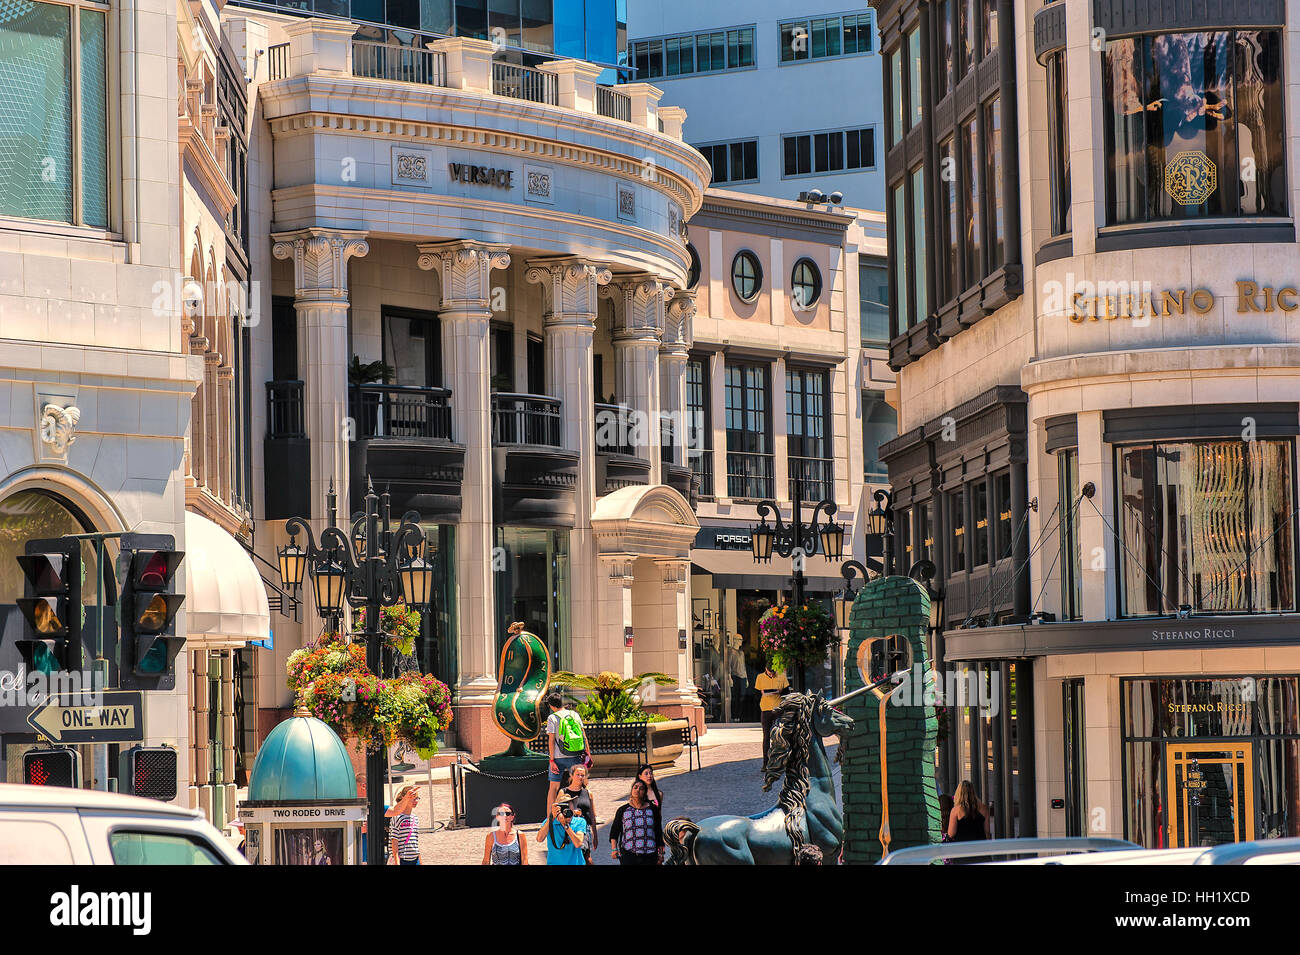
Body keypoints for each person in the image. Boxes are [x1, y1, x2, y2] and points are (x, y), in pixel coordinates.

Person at [544, 690, 589, 811]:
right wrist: (588, 753)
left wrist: (551, 760)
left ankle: (550, 817)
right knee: (578, 784)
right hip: (575, 755)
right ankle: (583, 813)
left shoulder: (552, 718)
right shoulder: (575, 715)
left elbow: (551, 741)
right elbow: (584, 736)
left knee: (553, 788)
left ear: (552, 706)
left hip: (558, 758)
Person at [609, 778, 663, 865]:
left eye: (641, 788)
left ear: (645, 793)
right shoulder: (623, 810)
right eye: (635, 787)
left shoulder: (652, 809)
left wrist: (660, 853)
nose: (638, 790)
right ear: (631, 791)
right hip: (629, 854)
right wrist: (614, 849)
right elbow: (614, 831)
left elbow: (658, 832)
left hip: (650, 855)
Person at [537, 791, 587, 865]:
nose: (568, 810)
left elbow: (578, 843)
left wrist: (565, 825)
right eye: (565, 807)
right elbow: (539, 839)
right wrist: (551, 818)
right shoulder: (550, 822)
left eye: (570, 805)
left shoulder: (579, 821)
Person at [948, 779, 992, 863]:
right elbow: (987, 833)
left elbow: (951, 834)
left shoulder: (955, 810)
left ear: (959, 793)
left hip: (962, 852)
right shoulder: (984, 808)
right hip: (980, 851)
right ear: (973, 792)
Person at [754, 660, 790, 763]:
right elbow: (755, 695)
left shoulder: (782, 676)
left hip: (778, 710)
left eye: (773, 673)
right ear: (766, 669)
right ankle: (766, 762)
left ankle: (779, 760)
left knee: (779, 736)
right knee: (766, 736)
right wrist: (761, 693)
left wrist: (780, 692)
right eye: (770, 673)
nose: (771, 675)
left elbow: (787, 694)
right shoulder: (760, 677)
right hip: (765, 710)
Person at [561, 764, 597, 863]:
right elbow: (557, 810)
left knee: (586, 857)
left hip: (585, 828)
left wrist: (595, 836)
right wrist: (572, 813)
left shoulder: (588, 793)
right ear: (571, 775)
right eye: (578, 774)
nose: (580, 777)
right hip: (569, 827)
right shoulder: (563, 792)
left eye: (582, 775)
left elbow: (592, 815)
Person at [387, 784, 421, 865]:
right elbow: (394, 841)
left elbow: (415, 842)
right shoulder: (397, 817)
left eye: (417, 798)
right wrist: (396, 862)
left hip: (415, 859)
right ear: (404, 798)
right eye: (412, 798)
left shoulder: (415, 818)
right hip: (402, 860)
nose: (415, 801)